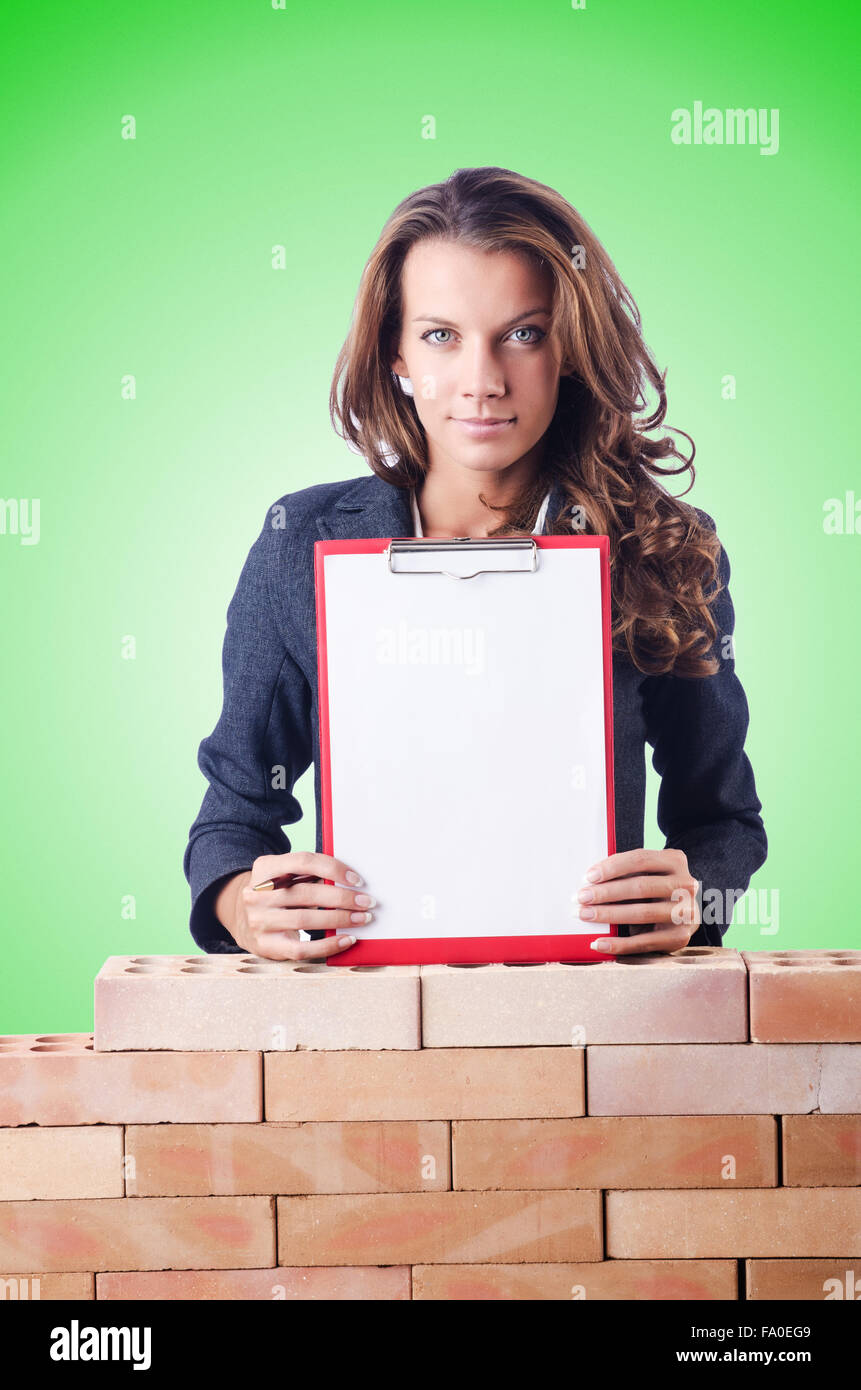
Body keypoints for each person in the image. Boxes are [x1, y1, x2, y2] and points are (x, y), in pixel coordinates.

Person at [183, 165, 767, 961]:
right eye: (440, 336)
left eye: (521, 333)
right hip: (362, 1019)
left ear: (568, 348)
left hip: (596, 1010)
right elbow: (233, 815)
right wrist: (243, 908)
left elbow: (722, 820)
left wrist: (692, 896)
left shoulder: (661, 547)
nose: (482, 382)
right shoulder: (300, 540)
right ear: (395, 351)